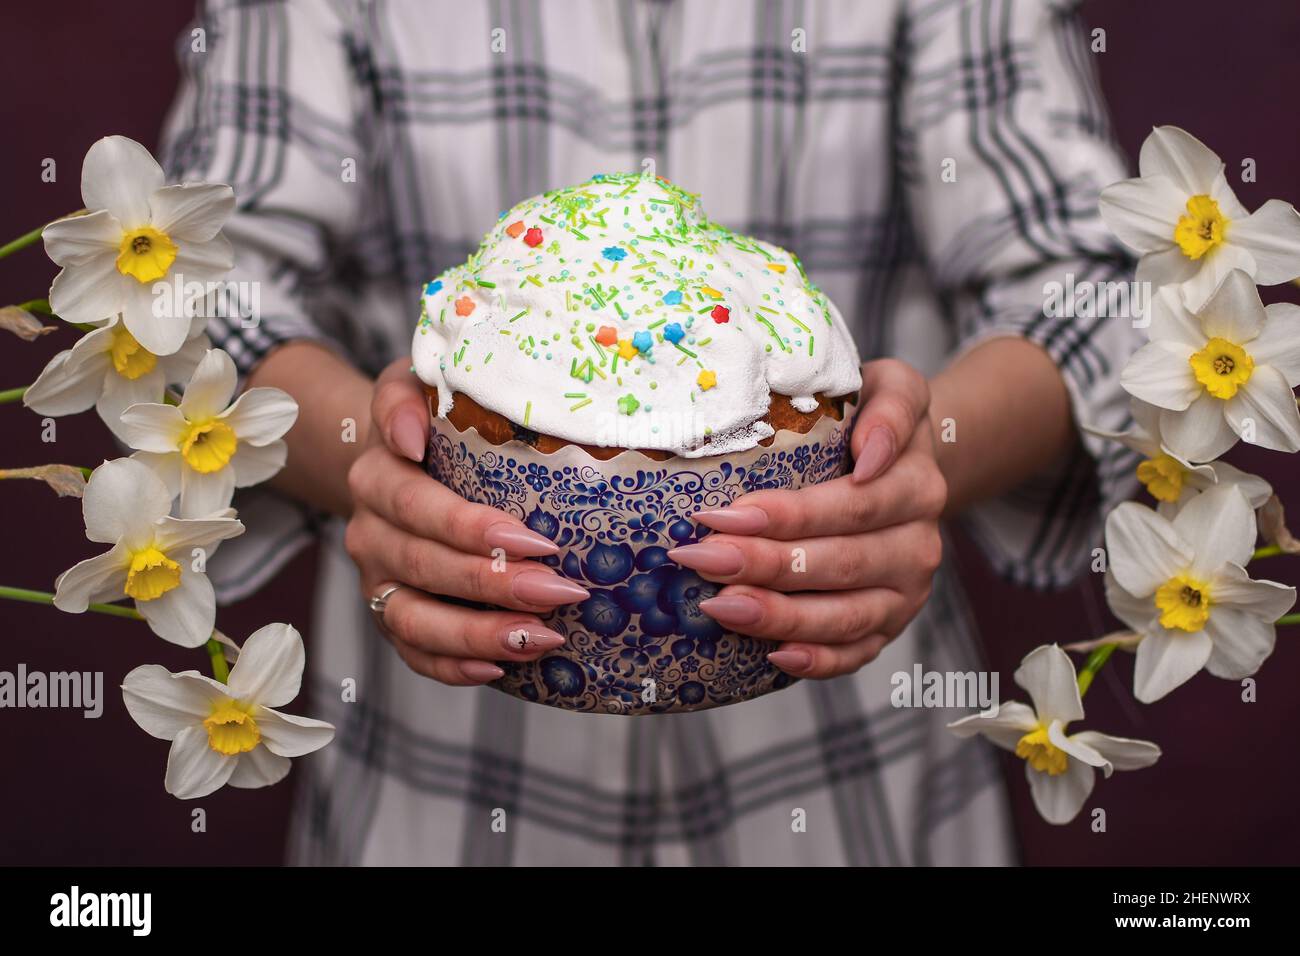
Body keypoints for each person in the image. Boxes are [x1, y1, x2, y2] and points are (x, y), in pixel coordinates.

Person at [161, 0, 1138, 865]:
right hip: (441, 790)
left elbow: (1089, 288)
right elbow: (198, 280)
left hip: (852, 786)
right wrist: (368, 460)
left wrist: (915, 466)